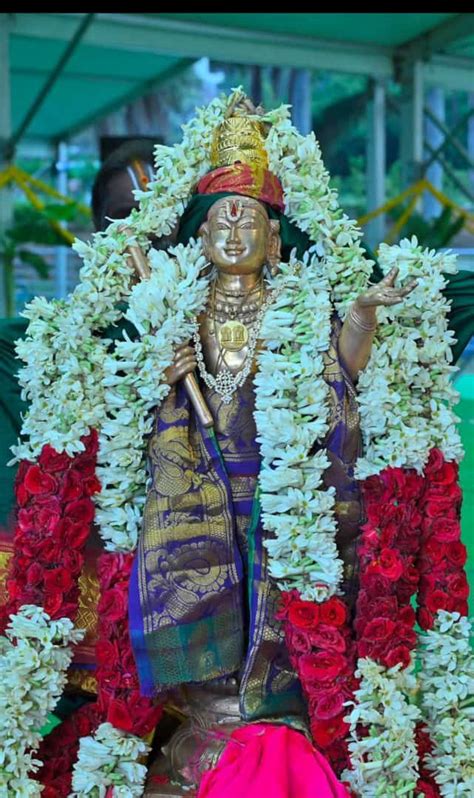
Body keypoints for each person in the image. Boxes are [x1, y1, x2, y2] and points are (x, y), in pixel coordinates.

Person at [124, 102, 418, 796]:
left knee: (279, 602)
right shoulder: (178, 307)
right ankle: (208, 720)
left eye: (248, 221)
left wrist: (361, 317)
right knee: (201, 588)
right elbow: (133, 404)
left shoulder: (299, 307)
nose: (234, 233)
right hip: (196, 486)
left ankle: (272, 723)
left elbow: (341, 374)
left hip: (281, 493)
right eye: (221, 222)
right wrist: (159, 369)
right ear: (200, 239)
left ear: (275, 240)